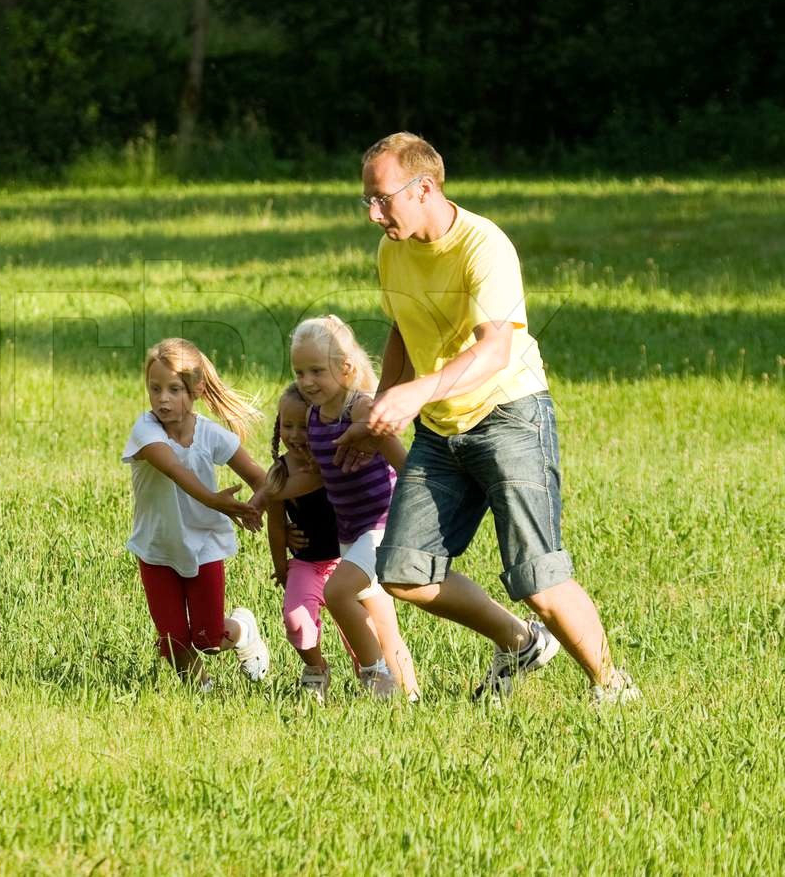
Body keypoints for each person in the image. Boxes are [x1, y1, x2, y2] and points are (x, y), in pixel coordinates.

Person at [339, 131, 637, 704]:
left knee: (538, 577)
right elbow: (403, 327)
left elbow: (494, 349)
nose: (374, 214)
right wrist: (382, 407)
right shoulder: (392, 250)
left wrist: (415, 394)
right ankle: (521, 643)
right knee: (402, 571)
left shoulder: (484, 247)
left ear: (423, 187)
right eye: (367, 201)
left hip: (509, 415)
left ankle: (613, 686)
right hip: (440, 427)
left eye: (383, 199)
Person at [253, 318, 419, 700]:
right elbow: (310, 478)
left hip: (383, 524)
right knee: (380, 623)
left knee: (338, 591)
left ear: (345, 369)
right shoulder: (314, 415)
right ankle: (408, 698)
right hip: (350, 533)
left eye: (316, 371)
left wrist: (420, 510)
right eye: (299, 371)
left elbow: (404, 463)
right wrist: (274, 506)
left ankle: (375, 675)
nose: (306, 381)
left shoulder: (359, 409)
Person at [121, 338, 271, 690]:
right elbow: (174, 469)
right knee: (172, 640)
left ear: (197, 390)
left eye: (174, 389)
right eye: (154, 389)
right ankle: (203, 689)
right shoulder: (146, 432)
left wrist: (258, 507)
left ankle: (244, 628)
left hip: (204, 546)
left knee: (208, 638)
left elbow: (259, 477)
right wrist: (217, 502)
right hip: (157, 547)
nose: (162, 399)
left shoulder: (210, 435)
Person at [262, 383, 354, 703]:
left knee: (360, 632)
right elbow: (275, 523)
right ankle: (316, 670)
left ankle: (371, 672)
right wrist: (280, 566)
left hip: (348, 564)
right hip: (307, 564)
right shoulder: (280, 472)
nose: (296, 435)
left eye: (304, 426)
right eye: (287, 426)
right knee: (296, 621)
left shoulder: (338, 464)